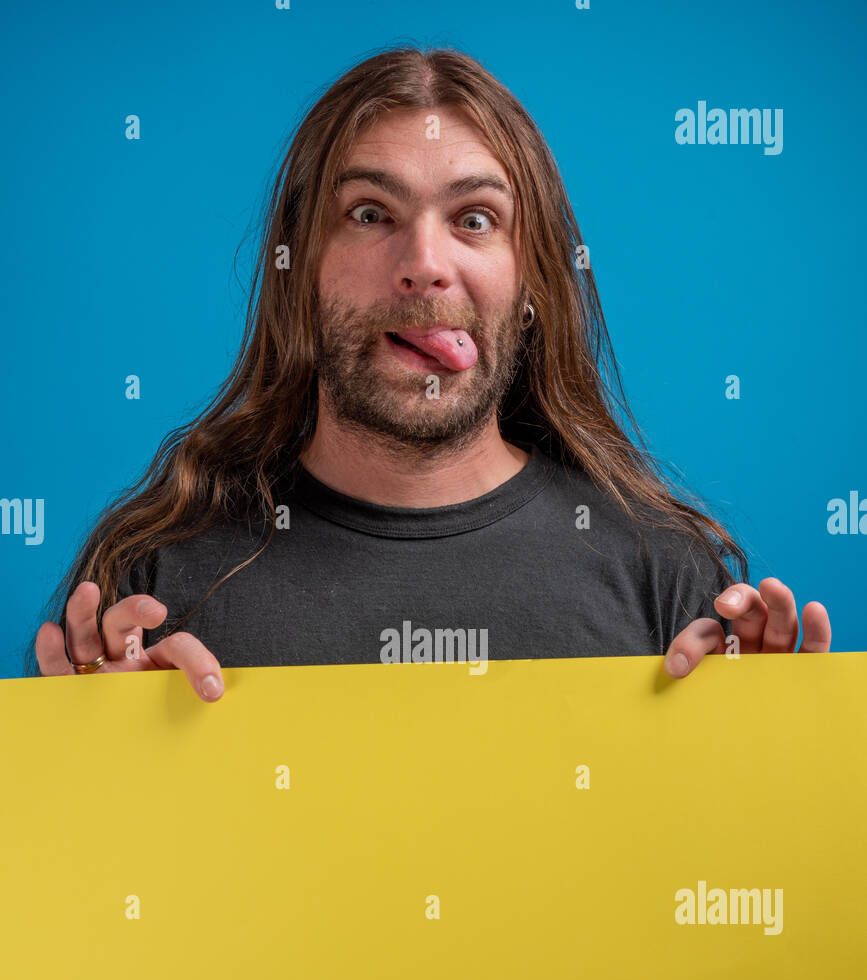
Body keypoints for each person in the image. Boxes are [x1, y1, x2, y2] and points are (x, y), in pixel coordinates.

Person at [30, 47, 830, 702]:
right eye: (370, 214)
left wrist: (755, 750)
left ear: (530, 286)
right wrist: (102, 760)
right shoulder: (153, 580)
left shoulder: (662, 575)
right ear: (300, 269)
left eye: (474, 219)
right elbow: (81, 885)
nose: (422, 266)